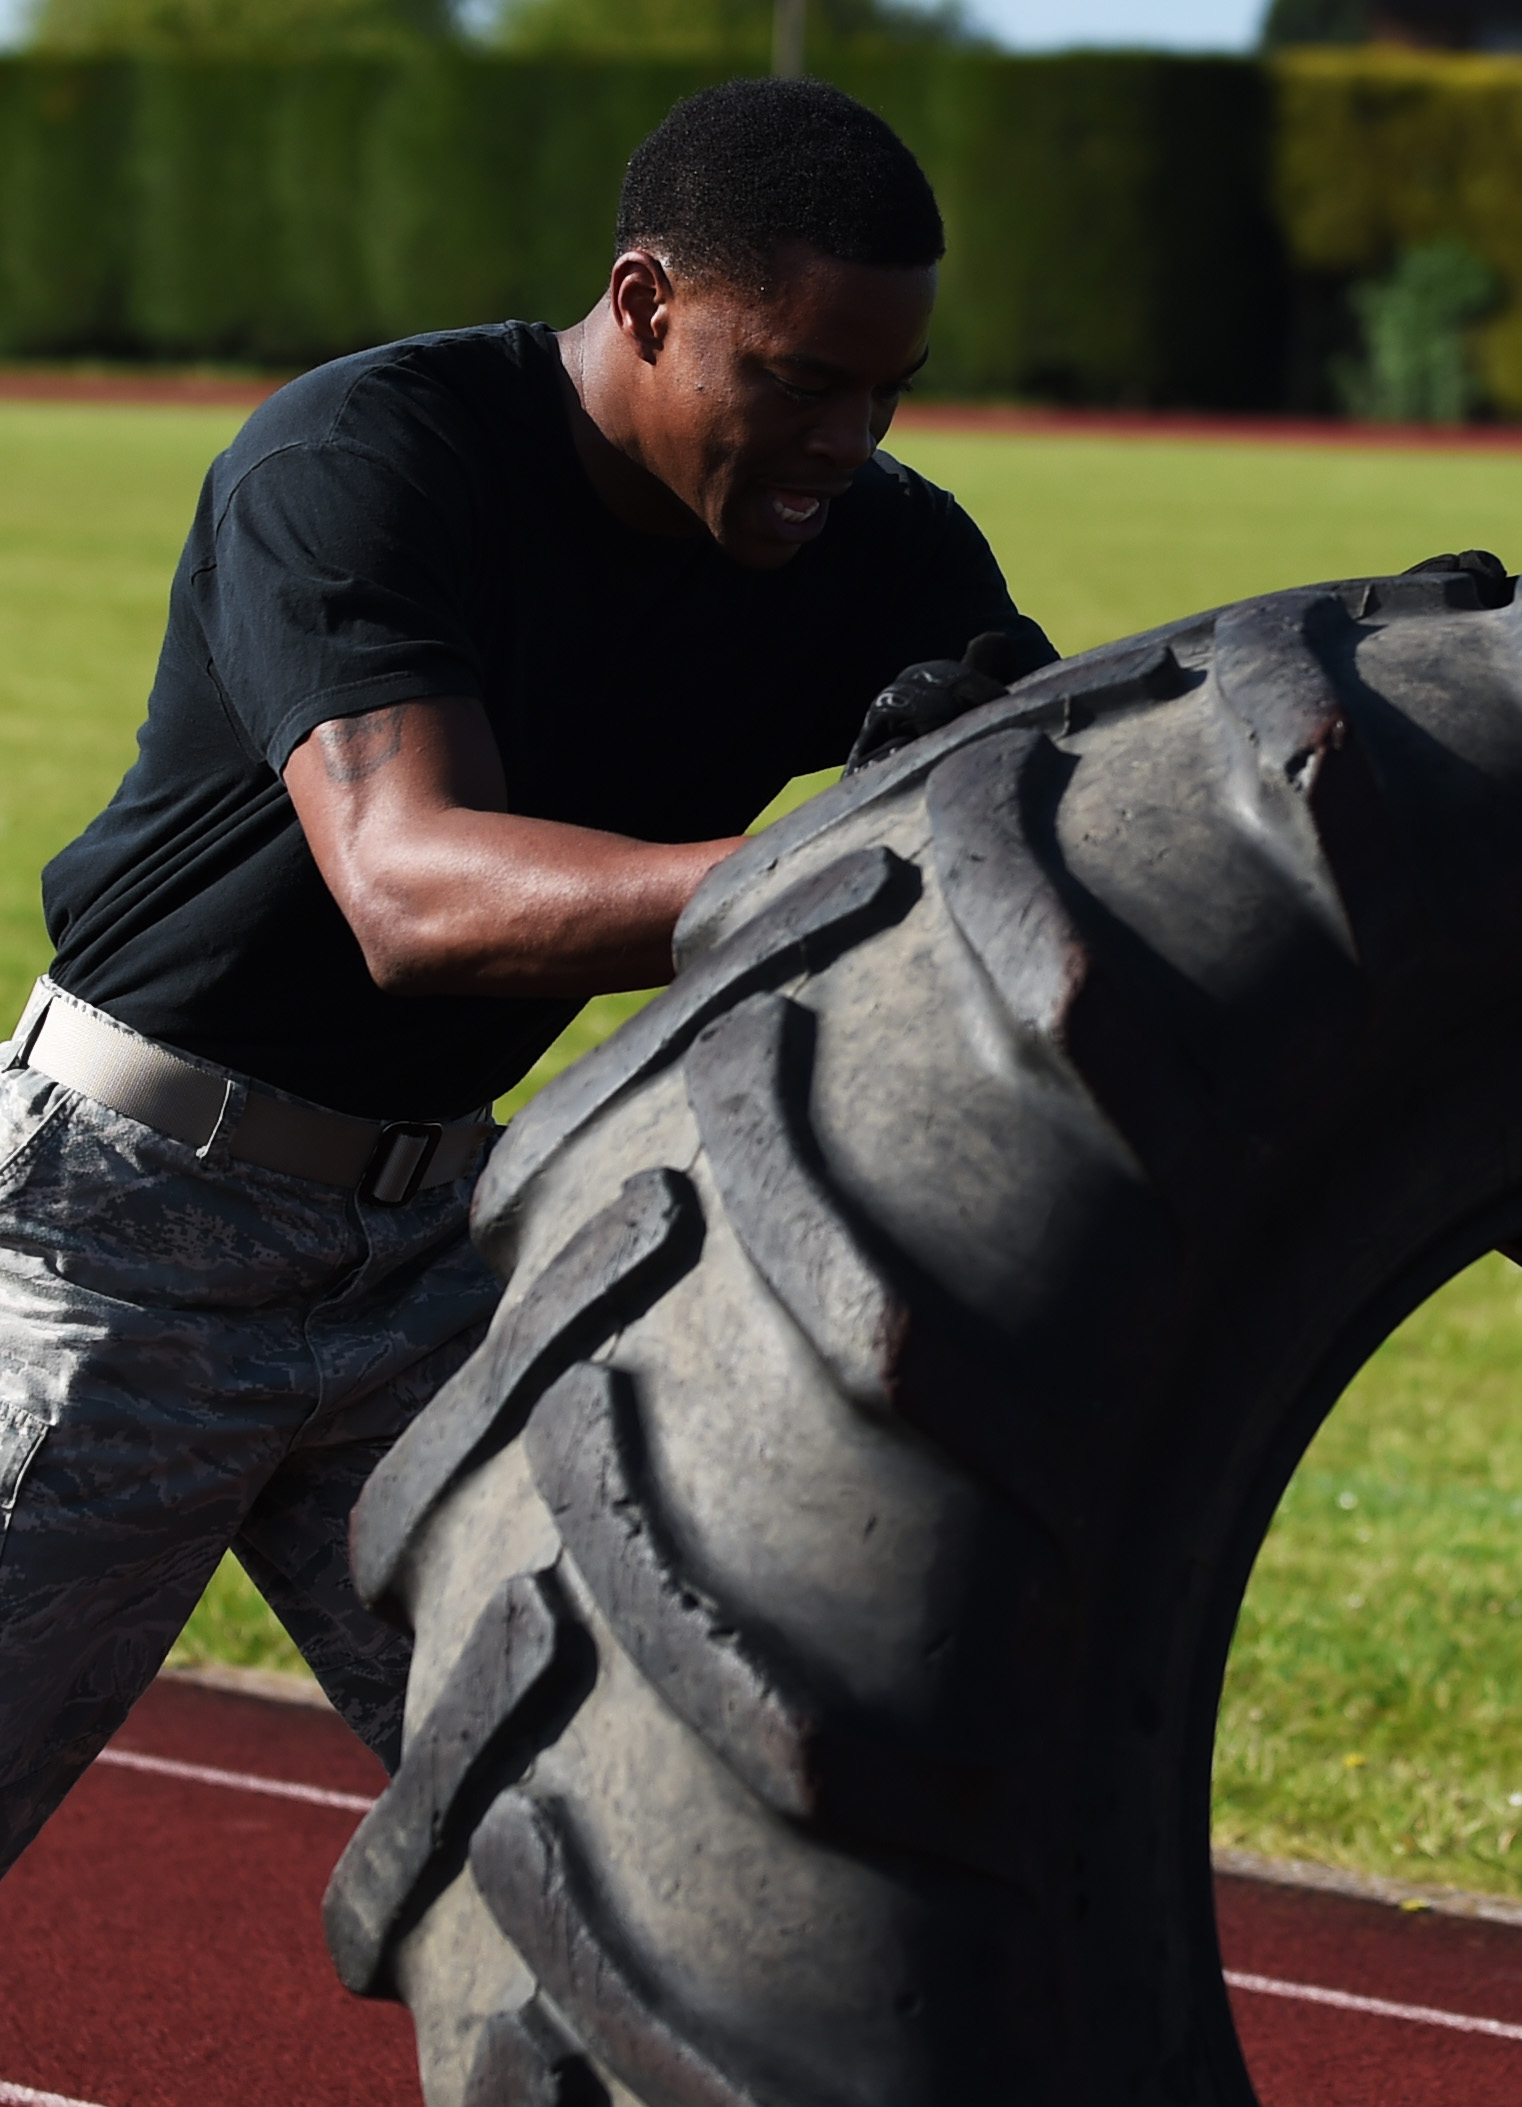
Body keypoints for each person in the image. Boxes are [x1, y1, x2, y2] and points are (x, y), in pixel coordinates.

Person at [0, 75, 1054, 1875]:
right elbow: (412, 893)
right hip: (118, 1228)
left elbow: (1048, 802)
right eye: (796, 378)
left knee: (645, 1847)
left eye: (886, 390)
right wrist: (843, 864)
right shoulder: (364, 460)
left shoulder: (870, 540)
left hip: (438, 1261)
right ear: (642, 304)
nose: (843, 439)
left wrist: (1307, 708)